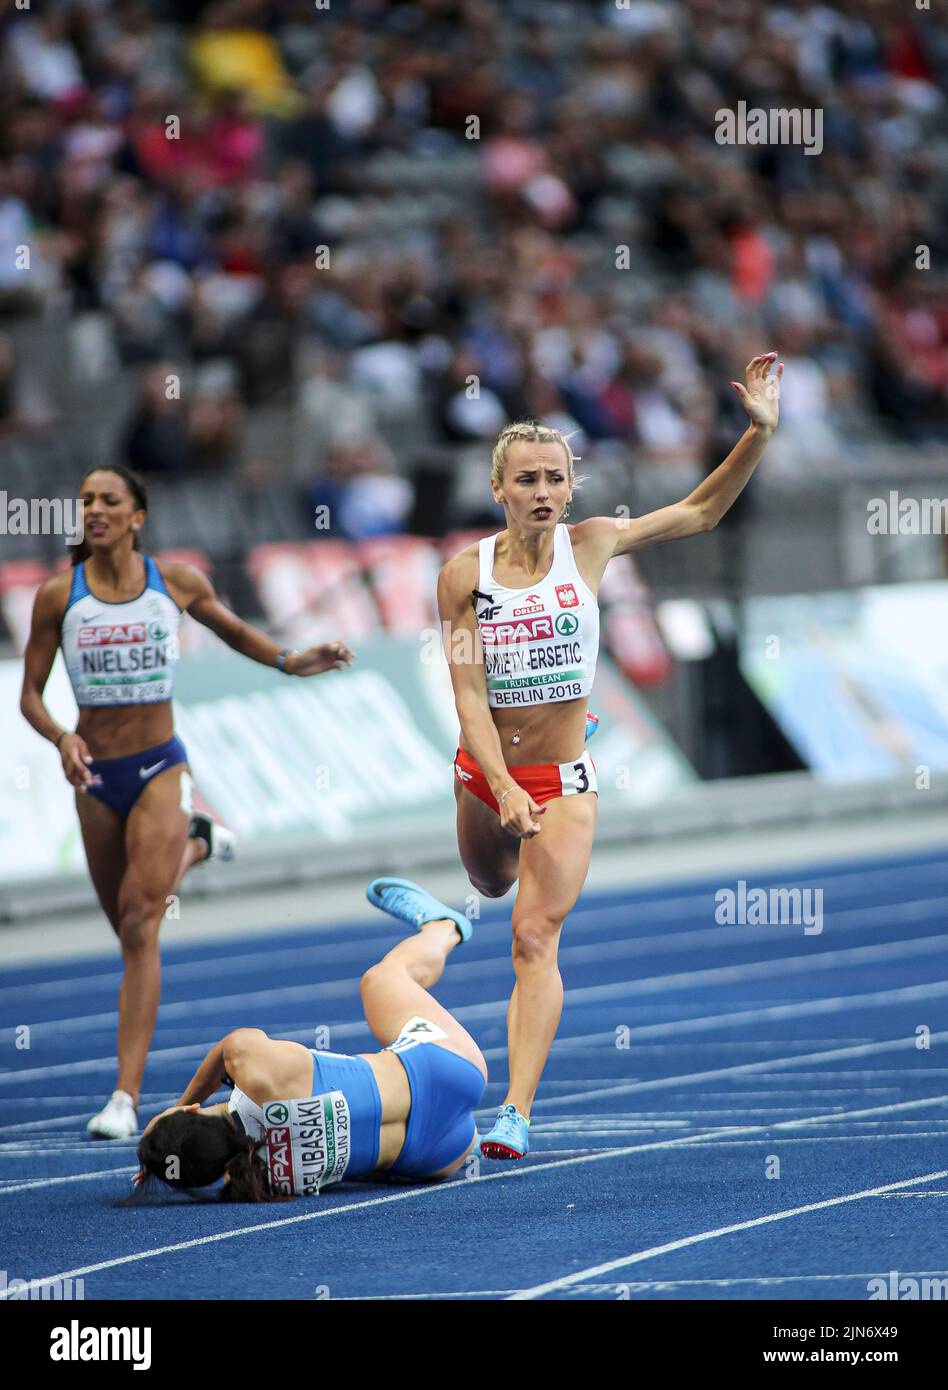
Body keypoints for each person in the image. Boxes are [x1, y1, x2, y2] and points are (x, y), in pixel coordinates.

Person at [437, 353, 783, 1158]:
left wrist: (758, 434)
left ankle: (515, 1112)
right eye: (527, 480)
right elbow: (467, 697)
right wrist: (497, 786)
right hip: (486, 773)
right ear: (499, 489)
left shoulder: (591, 547)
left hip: (562, 782)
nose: (544, 494)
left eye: (556, 478)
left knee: (532, 938)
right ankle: (440, 926)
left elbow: (699, 511)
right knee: (489, 885)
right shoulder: (463, 576)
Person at [19, 465, 354, 1140]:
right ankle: (196, 842)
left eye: (109, 500)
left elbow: (234, 634)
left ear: (138, 515)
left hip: (157, 769)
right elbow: (29, 692)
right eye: (85, 501)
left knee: (142, 925)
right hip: (96, 777)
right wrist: (61, 737)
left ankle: (124, 1096)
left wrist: (294, 661)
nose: (94, 510)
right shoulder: (60, 596)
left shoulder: (175, 584)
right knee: (127, 924)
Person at [134, 880, 486, 1198]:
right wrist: (180, 1105)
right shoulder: (256, 1070)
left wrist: (173, 1156)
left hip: (438, 1157)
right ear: (192, 1111)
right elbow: (229, 1048)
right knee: (380, 980)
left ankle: (468, 1135)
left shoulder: (262, 1181)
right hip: (446, 1068)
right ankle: (442, 926)